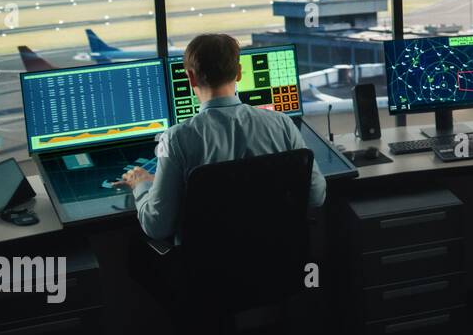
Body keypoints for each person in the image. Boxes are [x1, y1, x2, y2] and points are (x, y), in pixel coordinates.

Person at [120, 33, 326, 243]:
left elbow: (157, 226)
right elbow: (316, 196)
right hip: (277, 260)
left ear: (190, 77)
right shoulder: (281, 124)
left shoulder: (176, 139)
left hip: (209, 270)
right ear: (238, 73)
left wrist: (142, 185)